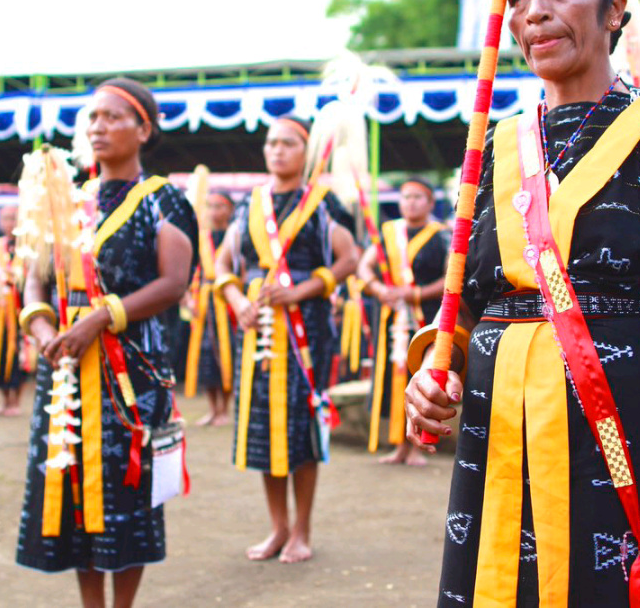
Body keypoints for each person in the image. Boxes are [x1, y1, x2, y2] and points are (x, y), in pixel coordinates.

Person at [405, 0, 640, 606]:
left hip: (622, 436)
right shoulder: (493, 148)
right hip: (496, 436)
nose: (535, 10)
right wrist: (430, 365)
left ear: (614, 8)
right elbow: (472, 301)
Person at [15, 78, 196, 608]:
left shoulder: (161, 199)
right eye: (91, 117)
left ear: (144, 129)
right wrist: (43, 327)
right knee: (73, 490)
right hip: (66, 371)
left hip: (128, 371)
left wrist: (101, 318)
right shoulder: (67, 201)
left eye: (112, 117)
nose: (97, 127)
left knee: (127, 496)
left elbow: (173, 282)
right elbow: (36, 277)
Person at [216, 115, 359, 563]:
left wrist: (300, 289)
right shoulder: (250, 204)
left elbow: (348, 259)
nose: (277, 150)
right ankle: (277, 528)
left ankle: (302, 529)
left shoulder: (323, 202)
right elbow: (223, 264)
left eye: (287, 143)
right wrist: (238, 300)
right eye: (271, 143)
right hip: (258, 327)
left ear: (306, 152)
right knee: (263, 430)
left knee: (302, 428)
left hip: (306, 329)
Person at [358, 178, 447, 466]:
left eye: (418, 197)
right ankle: (398, 444)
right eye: (406, 197)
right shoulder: (389, 233)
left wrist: (416, 293)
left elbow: (450, 277)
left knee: (421, 377)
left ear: (430, 203)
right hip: (393, 318)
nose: (411, 202)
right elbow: (364, 266)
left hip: (425, 316)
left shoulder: (442, 236)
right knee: (394, 377)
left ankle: (419, 446)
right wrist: (380, 289)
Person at [188, 191, 236, 427]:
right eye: (211, 206)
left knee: (225, 355)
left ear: (229, 209)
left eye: (220, 206)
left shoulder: (234, 235)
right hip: (205, 302)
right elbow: (192, 270)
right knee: (205, 357)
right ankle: (212, 408)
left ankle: (224, 410)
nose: (215, 211)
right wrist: (189, 299)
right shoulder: (202, 238)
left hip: (227, 302)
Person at [0, 205, 28, 416]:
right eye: (5, 219)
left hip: (19, 308)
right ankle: (4, 401)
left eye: (12, 218)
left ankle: (16, 401)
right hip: (0, 308)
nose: (8, 223)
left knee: (18, 353)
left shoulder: (26, 246)